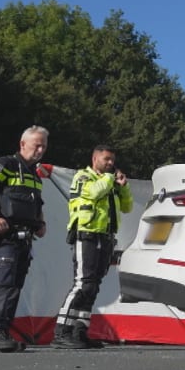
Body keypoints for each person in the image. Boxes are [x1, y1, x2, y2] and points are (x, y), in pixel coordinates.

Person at [0, 125, 50, 352]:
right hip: (6, 235)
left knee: (14, 286)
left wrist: (41, 223)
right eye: (37, 144)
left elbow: (37, 203)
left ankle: (0, 333)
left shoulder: (35, 175)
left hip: (25, 238)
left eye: (44, 145)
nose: (40, 150)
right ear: (22, 144)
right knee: (4, 284)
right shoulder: (6, 164)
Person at [51, 144, 133, 349]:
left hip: (105, 237)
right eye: (106, 159)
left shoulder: (111, 182)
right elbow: (94, 194)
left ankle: (79, 332)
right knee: (83, 283)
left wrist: (123, 187)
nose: (111, 163)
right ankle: (61, 332)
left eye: (113, 160)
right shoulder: (83, 177)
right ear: (95, 159)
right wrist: (109, 178)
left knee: (93, 286)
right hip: (86, 236)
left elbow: (127, 207)